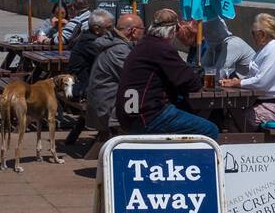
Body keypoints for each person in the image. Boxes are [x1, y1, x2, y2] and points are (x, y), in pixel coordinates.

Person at [115, 8, 218, 138]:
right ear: (173, 31)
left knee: (184, 109)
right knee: (210, 131)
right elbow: (191, 82)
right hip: (148, 116)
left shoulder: (142, 46)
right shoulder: (162, 48)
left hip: (128, 116)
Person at [220, 13, 275, 144]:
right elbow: (254, 79)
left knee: (241, 118)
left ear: (262, 34)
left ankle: (245, 152)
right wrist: (237, 82)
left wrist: (237, 82)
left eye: (253, 33)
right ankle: (242, 151)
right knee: (233, 116)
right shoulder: (266, 50)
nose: (252, 36)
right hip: (273, 104)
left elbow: (260, 82)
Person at [86, 12, 143, 131]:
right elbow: (136, 79)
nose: (144, 32)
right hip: (107, 107)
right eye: (142, 29)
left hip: (99, 102)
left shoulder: (113, 43)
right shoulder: (120, 51)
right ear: (133, 31)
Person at [67, 9, 115, 94]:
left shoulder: (93, 38)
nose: (112, 31)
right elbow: (110, 59)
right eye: (108, 28)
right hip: (82, 87)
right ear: (96, 29)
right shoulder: (89, 41)